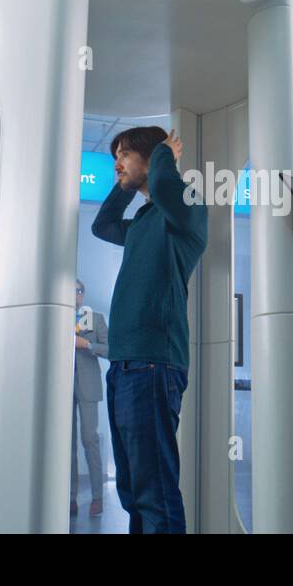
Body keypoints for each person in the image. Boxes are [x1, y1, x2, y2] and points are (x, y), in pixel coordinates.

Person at [92, 126, 207, 534]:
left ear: (154, 156)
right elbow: (102, 225)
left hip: (155, 364)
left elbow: (162, 182)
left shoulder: (187, 207)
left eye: (125, 155)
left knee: (156, 493)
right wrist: (125, 183)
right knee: (134, 490)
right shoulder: (143, 220)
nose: (117, 164)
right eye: (114, 158)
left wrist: (162, 154)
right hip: (123, 365)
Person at [71, 278, 109, 517]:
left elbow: (111, 349)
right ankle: (70, 498)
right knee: (67, 444)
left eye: (77, 292)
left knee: (89, 439)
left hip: (88, 386)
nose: (73, 296)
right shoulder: (56, 316)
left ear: (82, 295)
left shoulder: (96, 319)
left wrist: (86, 344)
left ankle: (97, 497)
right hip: (60, 388)